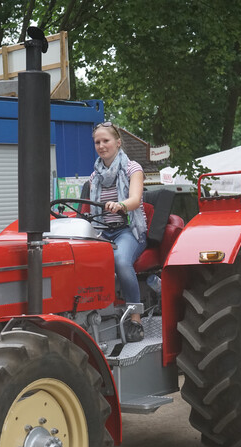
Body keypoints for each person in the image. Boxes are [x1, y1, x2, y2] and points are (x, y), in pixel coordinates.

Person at [89, 121, 148, 341]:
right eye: (97, 142)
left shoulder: (133, 168)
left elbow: (135, 199)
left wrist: (120, 205)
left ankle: (135, 319)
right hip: (102, 232)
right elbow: (91, 209)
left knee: (121, 261)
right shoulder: (94, 177)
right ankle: (92, 316)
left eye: (106, 140)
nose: (101, 145)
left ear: (118, 142)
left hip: (128, 230)